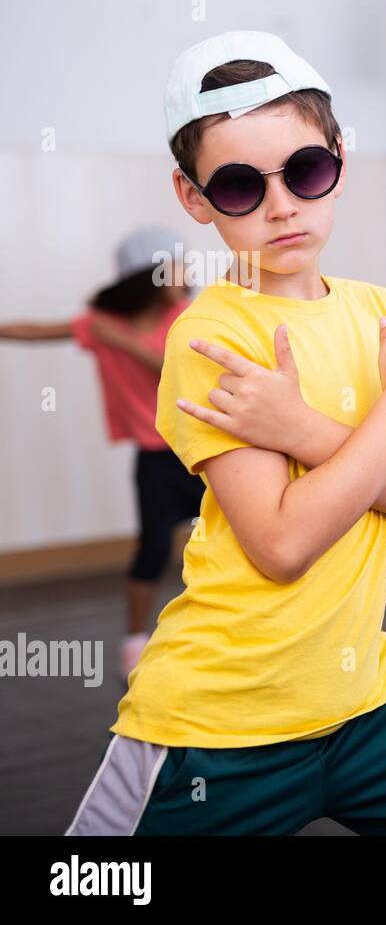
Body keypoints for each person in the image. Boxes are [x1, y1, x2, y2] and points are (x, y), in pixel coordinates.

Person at [67, 31, 386, 835]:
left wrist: (304, 426)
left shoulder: (381, 311)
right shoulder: (212, 337)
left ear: (340, 157)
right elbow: (281, 544)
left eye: (305, 171)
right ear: (193, 197)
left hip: (363, 702)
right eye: (239, 186)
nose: (281, 206)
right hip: (220, 725)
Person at [0, 228, 197, 679]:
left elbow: (176, 366)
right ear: (152, 275)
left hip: (201, 450)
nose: (187, 274)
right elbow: (36, 329)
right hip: (155, 458)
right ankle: (134, 643)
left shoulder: (187, 317)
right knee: (152, 548)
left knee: (222, 544)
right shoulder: (100, 324)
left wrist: (120, 340)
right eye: (178, 266)